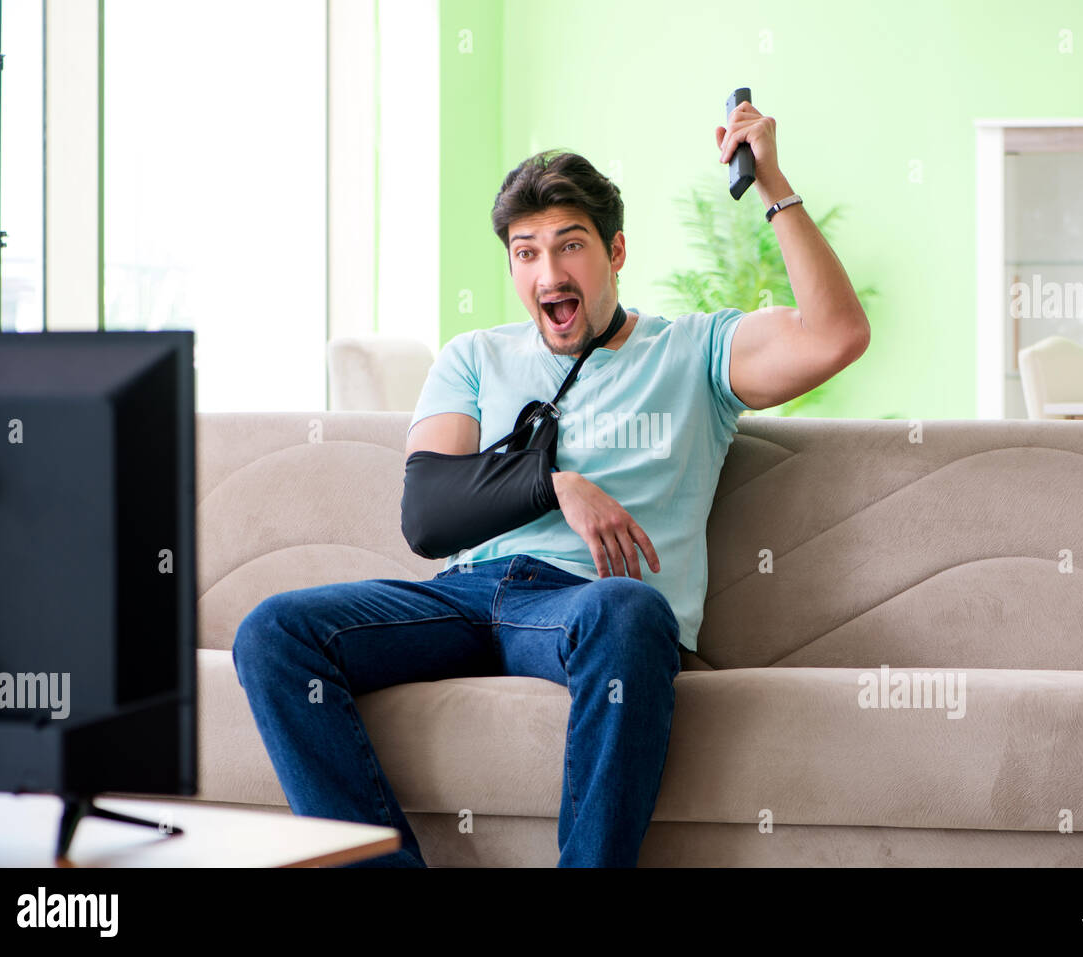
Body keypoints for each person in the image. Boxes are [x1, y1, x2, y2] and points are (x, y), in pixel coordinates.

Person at [232, 100, 870, 867]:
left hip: (585, 607)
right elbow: (428, 514)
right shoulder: (474, 356)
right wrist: (553, 483)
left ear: (617, 250)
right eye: (527, 253)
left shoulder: (694, 351)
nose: (549, 272)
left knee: (631, 608)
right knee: (273, 633)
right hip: (465, 593)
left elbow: (836, 334)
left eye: (570, 246)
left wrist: (771, 181)